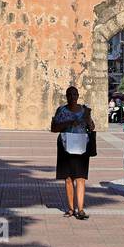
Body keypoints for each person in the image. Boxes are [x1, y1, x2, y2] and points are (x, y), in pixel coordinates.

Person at [51, 86, 95, 219]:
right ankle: (71, 208)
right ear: (66, 96)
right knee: (69, 178)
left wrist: (87, 118)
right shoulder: (61, 110)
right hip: (65, 145)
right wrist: (69, 122)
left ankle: (80, 209)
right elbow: (53, 128)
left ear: (78, 95)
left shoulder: (84, 110)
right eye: (69, 94)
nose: (72, 97)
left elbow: (92, 127)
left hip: (81, 145)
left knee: (80, 177)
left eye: (75, 94)